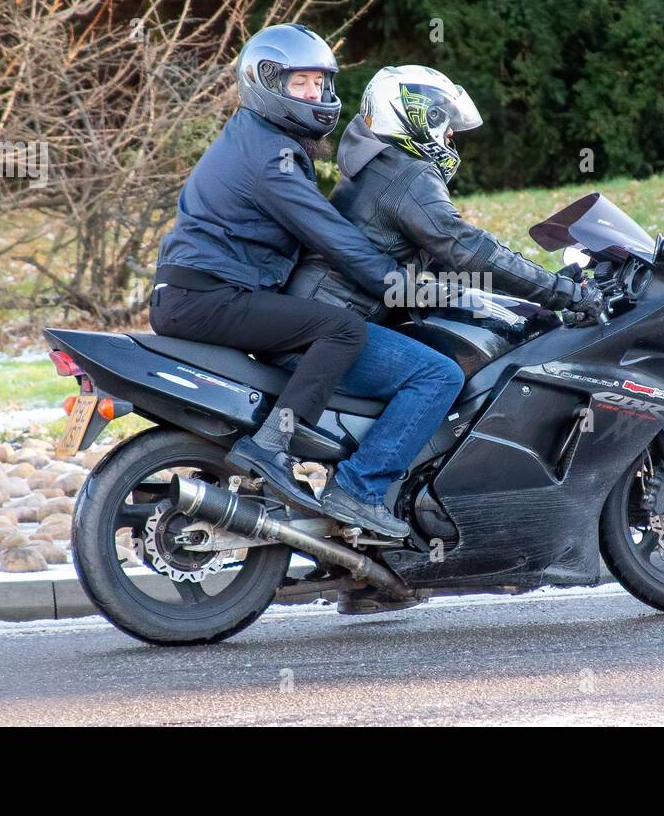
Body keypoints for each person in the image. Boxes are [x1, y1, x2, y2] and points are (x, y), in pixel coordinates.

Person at [151, 26, 463, 538]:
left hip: (201, 292)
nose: (315, 96)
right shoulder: (269, 158)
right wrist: (400, 284)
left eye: (320, 84)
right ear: (266, 81)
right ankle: (275, 448)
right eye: (300, 84)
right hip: (206, 297)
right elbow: (332, 236)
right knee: (342, 329)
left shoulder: (262, 142)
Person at [284, 64, 603, 328]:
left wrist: (542, 287)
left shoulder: (376, 163)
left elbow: (446, 264)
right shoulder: (407, 174)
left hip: (318, 308)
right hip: (332, 321)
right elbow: (471, 251)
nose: (450, 133)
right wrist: (565, 293)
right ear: (415, 117)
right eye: (443, 121)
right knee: (441, 376)